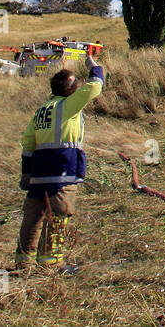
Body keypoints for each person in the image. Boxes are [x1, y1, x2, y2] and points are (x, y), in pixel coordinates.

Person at [15, 55, 105, 270]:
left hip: (38, 170)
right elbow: (95, 87)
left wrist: (26, 173)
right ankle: (52, 263)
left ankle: (23, 262)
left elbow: (28, 142)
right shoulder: (68, 105)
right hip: (61, 169)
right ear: (70, 89)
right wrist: (95, 67)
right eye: (76, 84)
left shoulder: (42, 110)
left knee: (33, 216)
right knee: (58, 213)